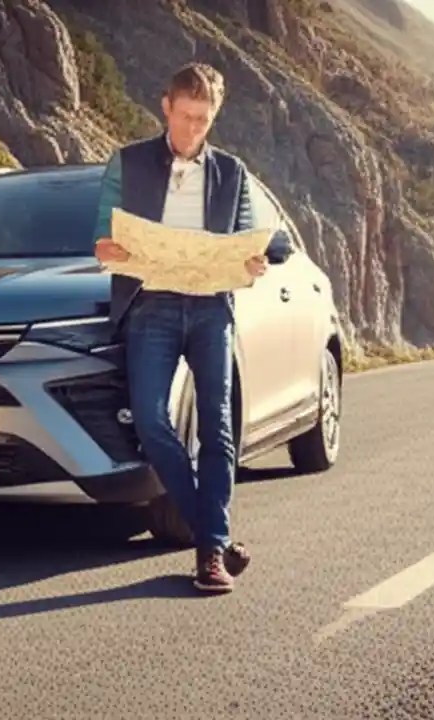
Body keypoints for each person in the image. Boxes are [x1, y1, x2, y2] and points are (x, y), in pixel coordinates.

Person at [91, 62, 290, 593]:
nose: (194, 128)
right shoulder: (127, 163)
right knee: (153, 421)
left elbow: (258, 239)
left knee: (219, 426)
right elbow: (101, 241)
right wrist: (117, 249)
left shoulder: (233, 172)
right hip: (151, 307)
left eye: (204, 119)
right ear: (166, 107)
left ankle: (208, 555)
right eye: (186, 116)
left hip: (210, 308)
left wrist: (254, 260)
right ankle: (215, 533)